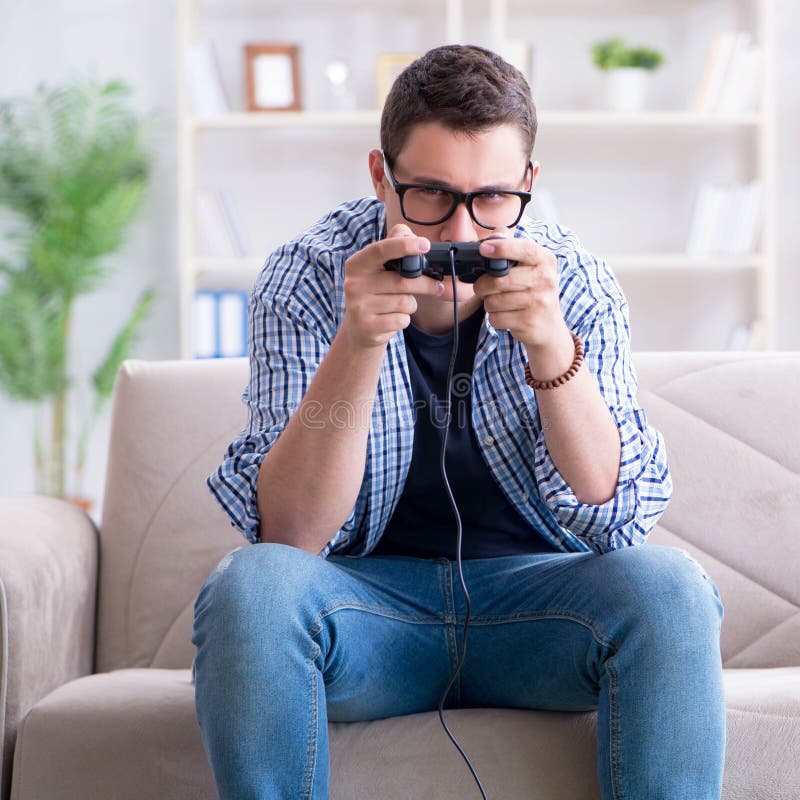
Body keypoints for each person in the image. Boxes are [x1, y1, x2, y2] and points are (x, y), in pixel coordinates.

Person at [193, 44, 725, 800]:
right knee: (250, 586)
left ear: (530, 185)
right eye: (431, 196)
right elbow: (291, 536)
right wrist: (358, 342)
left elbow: (617, 512)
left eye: (493, 199)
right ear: (381, 175)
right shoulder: (308, 276)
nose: (460, 234)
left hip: (540, 609)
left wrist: (551, 346)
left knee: (670, 586)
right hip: (366, 611)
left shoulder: (574, 280)